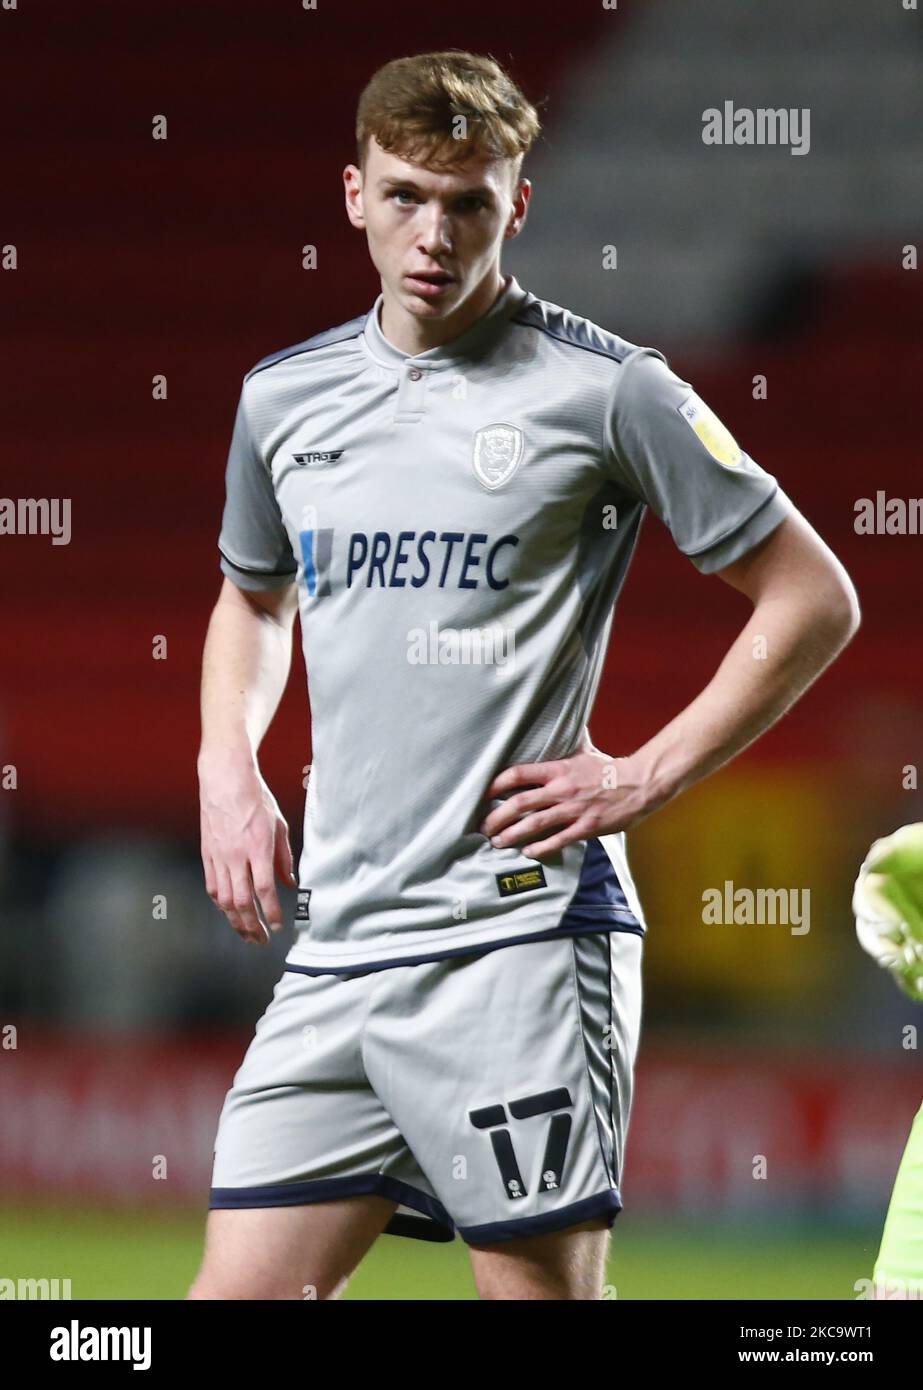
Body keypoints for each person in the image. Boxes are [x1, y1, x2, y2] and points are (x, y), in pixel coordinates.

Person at [189, 49, 860, 1301]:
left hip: (515, 936)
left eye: (467, 203)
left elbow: (813, 594)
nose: (431, 234)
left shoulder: (608, 389)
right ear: (351, 194)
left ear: (518, 206)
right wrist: (227, 761)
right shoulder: (281, 400)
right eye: (403, 197)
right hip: (340, 939)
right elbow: (251, 597)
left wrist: (643, 774)